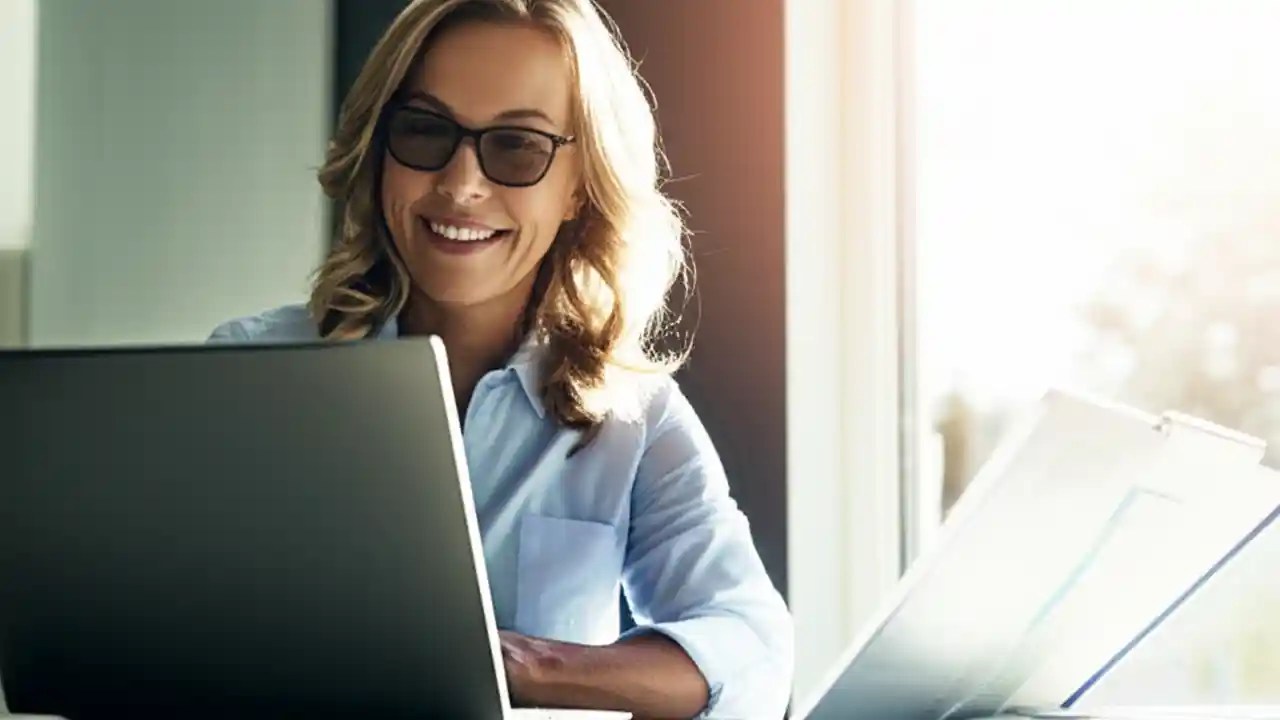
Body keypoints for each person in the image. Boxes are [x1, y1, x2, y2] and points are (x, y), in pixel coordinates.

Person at [209, 0, 793, 717]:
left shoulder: (634, 420)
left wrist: (527, 664)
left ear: (581, 184)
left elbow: (751, 648)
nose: (460, 185)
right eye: (425, 131)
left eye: (517, 146)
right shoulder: (245, 374)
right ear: (379, 149)